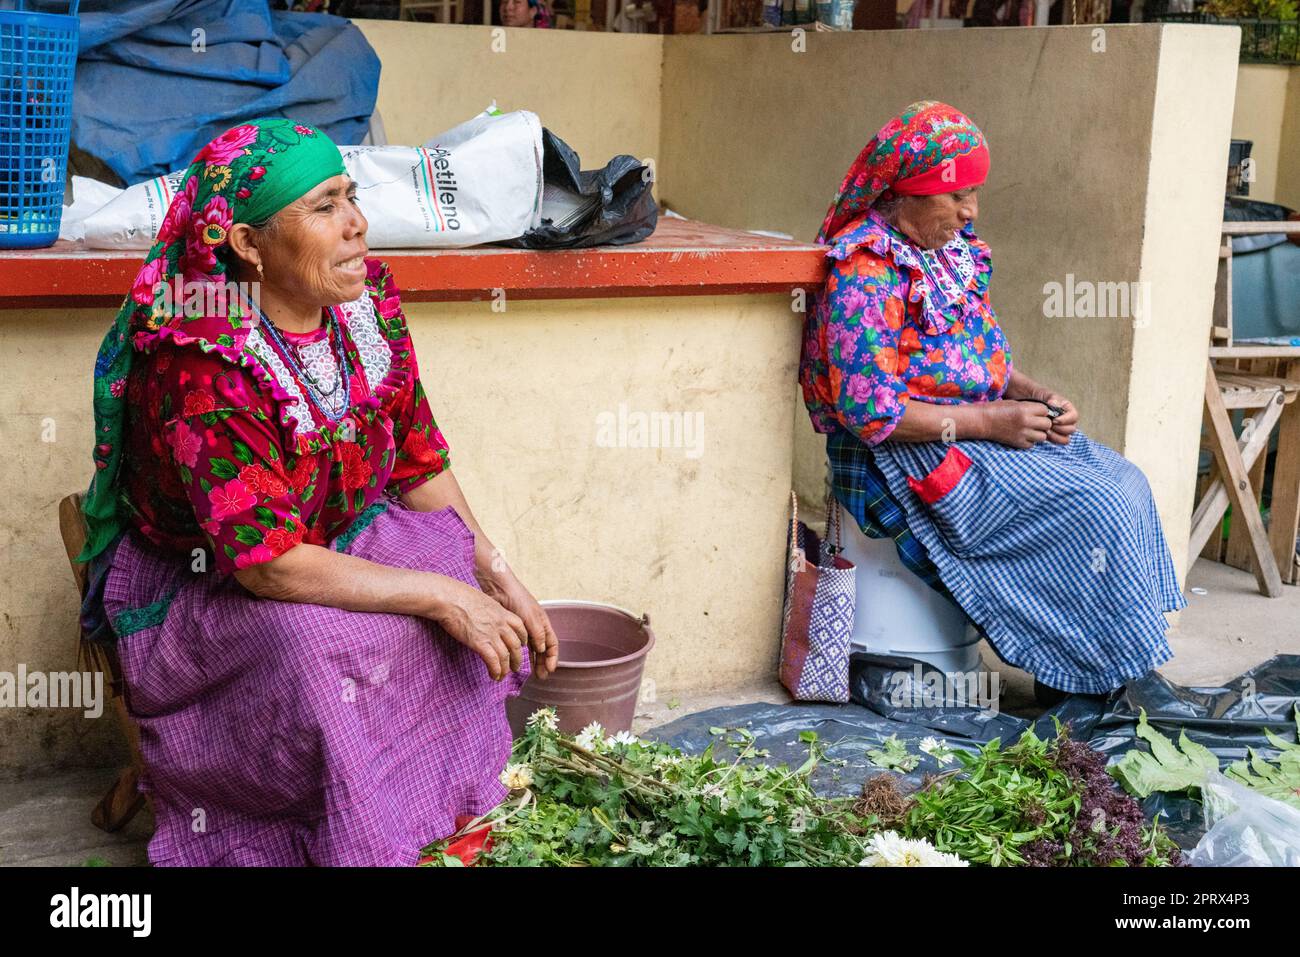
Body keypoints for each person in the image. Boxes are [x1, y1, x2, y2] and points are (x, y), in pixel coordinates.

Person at [78, 117, 559, 866]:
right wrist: (441, 594)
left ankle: (429, 818)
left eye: (351, 196)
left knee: (454, 577)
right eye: (324, 206)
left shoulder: (363, 309)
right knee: (326, 645)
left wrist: (495, 573)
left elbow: (418, 460)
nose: (358, 225)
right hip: (208, 584)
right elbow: (266, 563)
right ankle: (324, 833)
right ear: (247, 244)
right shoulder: (204, 357)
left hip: (339, 535)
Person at [800, 101, 1185, 701]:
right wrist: (992, 422)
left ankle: (1113, 662)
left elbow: (986, 361)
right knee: (1094, 508)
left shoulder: (953, 254)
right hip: (907, 453)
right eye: (955, 196)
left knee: (1123, 481)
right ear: (907, 193)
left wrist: (1032, 394)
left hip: (979, 430)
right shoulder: (866, 271)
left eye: (974, 193)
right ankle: (1081, 679)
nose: (970, 210)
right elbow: (871, 411)